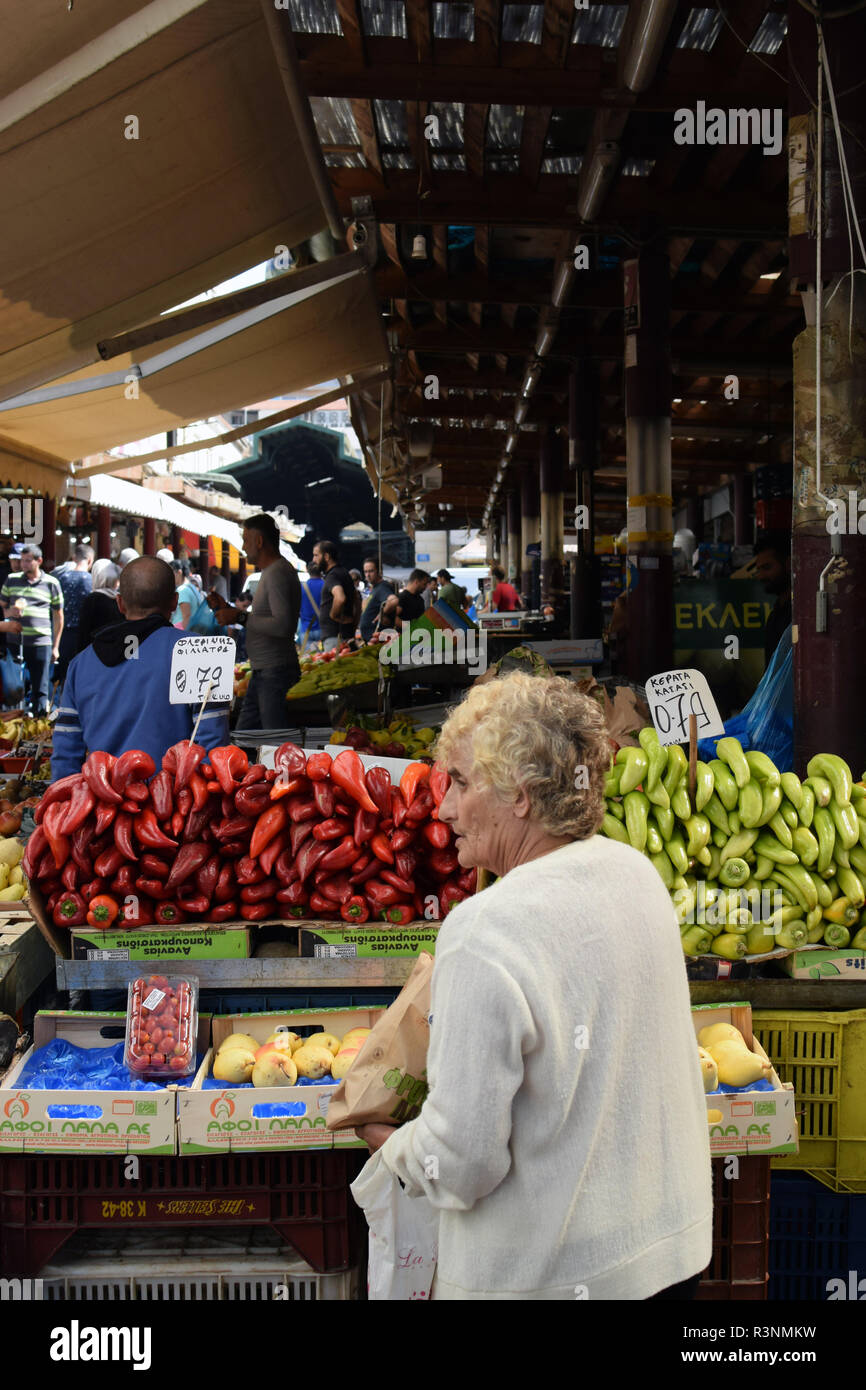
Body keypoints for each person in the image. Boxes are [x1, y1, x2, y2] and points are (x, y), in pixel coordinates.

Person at [356, 672, 712, 1300]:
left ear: (519, 796)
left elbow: (463, 1162)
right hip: (669, 1256)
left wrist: (395, 1146)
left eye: (462, 783)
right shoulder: (638, 875)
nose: (443, 807)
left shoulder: (482, 930)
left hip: (555, 1279)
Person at [52, 557, 229, 781]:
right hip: (177, 807)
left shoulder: (81, 663)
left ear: (120, 603)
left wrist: (63, 809)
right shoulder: (201, 651)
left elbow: (65, 754)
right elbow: (213, 749)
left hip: (105, 807)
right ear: (174, 603)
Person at [213, 514, 301, 730]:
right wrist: (228, 610)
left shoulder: (277, 573)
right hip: (265, 671)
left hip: (275, 673)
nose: (243, 547)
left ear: (259, 541)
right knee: (245, 736)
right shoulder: (272, 572)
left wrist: (240, 617)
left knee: (273, 740)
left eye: (245, 540)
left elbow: (283, 625)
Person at [0, 544, 63, 715]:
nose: (23, 565)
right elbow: (2, 607)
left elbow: (58, 615)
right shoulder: (12, 579)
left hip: (41, 641)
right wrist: (9, 612)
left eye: (28, 561)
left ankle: (38, 723)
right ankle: (14, 721)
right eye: (22, 561)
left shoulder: (52, 583)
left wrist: (56, 646)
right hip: (15, 640)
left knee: (41, 687)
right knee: (13, 685)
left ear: (39, 561)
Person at [54, 544, 94, 684]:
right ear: (90, 560)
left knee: (65, 675)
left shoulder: (61, 579)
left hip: (63, 633)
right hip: (83, 635)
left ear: (73, 558)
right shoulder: (90, 581)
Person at [753, 531, 792, 667]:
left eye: (767, 568)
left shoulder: (801, 615)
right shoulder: (776, 614)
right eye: (759, 570)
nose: (761, 576)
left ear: (789, 564)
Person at [312, 540, 359, 651]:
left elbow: (340, 597)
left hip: (334, 638)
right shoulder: (344, 573)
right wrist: (353, 624)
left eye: (316, 555)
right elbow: (357, 601)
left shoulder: (332, 576)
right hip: (345, 635)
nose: (314, 560)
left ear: (327, 556)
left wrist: (334, 615)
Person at [76, 560, 120, 653]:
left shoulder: (92, 600)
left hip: (96, 653)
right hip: (117, 651)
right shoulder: (120, 599)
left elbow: (84, 633)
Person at [359, 558, 395, 642]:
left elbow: (393, 601)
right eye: (365, 571)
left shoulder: (382, 587)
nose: (368, 575)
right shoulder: (375, 588)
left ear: (379, 571)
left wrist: (382, 613)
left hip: (377, 641)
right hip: (371, 640)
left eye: (371, 571)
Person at [298, 562, 324, 649]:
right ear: (321, 571)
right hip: (322, 628)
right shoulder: (325, 585)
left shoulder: (302, 587)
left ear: (308, 571)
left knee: (309, 660)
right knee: (325, 659)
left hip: (306, 630)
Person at [170, 559, 198, 629]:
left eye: (171, 573)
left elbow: (187, 616)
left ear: (179, 572)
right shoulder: (192, 587)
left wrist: (182, 636)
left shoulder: (182, 590)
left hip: (182, 634)